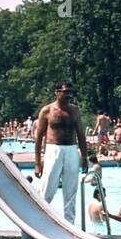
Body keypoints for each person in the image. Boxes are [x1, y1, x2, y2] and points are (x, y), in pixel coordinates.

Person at [33, 81, 89, 223]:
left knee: (71, 189)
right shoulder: (47, 111)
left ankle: (69, 223)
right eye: (65, 92)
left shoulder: (74, 110)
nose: (69, 95)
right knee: (48, 187)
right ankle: (40, 219)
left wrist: (84, 157)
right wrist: (37, 163)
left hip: (71, 149)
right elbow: (39, 137)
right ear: (57, 92)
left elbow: (81, 134)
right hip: (54, 149)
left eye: (70, 92)